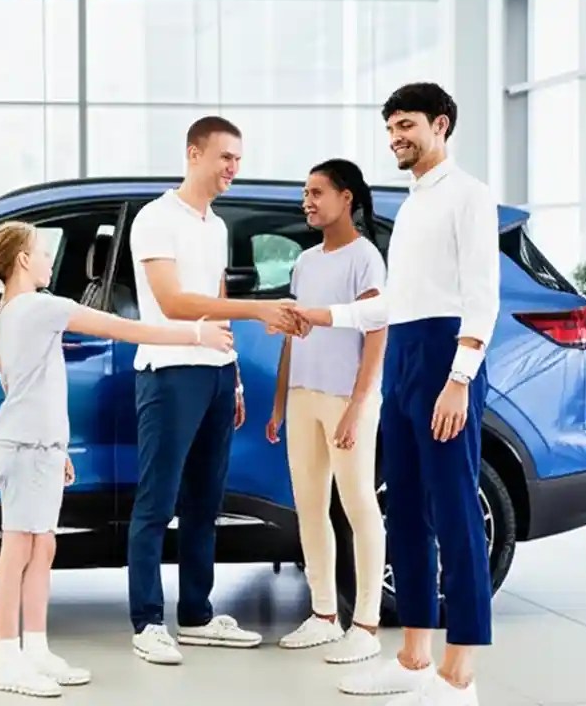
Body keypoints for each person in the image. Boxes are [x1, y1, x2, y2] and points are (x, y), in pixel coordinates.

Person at [293, 83, 500, 706]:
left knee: (457, 511)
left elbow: (481, 297)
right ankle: (413, 657)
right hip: (406, 357)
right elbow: (393, 305)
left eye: (405, 125)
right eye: (389, 129)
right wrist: (321, 317)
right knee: (405, 512)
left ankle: (458, 673)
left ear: (441, 124)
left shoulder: (469, 195)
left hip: (444, 360)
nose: (395, 138)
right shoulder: (411, 207)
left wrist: (459, 379)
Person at [0, 220, 236, 698]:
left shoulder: (12, 310)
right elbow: (121, 327)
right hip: (25, 448)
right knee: (18, 550)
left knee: (42, 549)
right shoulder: (39, 307)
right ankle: (7, 659)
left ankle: (34, 648)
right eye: (40, 251)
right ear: (21, 261)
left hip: (37, 446)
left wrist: (57, 448)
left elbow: (26, 387)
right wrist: (194, 334)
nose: (48, 259)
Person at [125, 115, 307, 666]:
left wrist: (230, 370)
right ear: (193, 154)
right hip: (169, 370)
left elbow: (214, 294)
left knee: (205, 503)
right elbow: (175, 302)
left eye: (239, 160)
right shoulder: (155, 219)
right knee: (156, 503)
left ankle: (198, 615)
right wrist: (257, 310)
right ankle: (148, 622)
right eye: (225, 157)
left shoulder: (215, 225)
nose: (233, 168)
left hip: (213, 371)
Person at [266, 158, 388, 664]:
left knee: (358, 505)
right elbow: (295, 335)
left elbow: (377, 332)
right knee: (310, 506)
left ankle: (366, 623)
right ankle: (323, 616)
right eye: (305, 193)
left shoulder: (366, 259)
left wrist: (358, 407)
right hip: (303, 398)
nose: (308, 201)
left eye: (317, 192)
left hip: (345, 399)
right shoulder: (307, 261)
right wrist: (279, 402)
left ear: (347, 199)